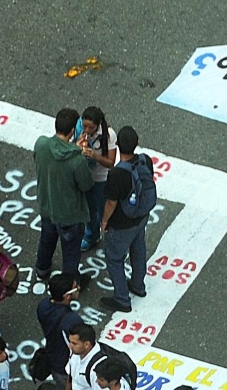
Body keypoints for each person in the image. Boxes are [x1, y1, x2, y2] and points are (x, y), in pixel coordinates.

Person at [32, 110, 94, 281]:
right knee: (71, 251)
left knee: (47, 240)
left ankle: (42, 269)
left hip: (47, 206)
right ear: (73, 130)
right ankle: (70, 281)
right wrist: (77, 151)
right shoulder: (76, 160)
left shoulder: (41, 144)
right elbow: (86, 184)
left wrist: (73, 148)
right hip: (69, 215)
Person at [97, 126, 151, 314]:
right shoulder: (145, 161)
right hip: (141, 217)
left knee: (114, 258)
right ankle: (138, 284)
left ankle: (121, 299)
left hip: (122, 224)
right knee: (138, 248)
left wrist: (104, 222)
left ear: (118, 145)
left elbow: (111, 203)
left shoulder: (117, 174)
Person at [74, 108, 114, 251]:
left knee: (104, 209)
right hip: (86, 176)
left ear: (98, 125)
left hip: (101, 180)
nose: (87, 130)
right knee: (89, 208)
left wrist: (95, 156)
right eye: (84, 126)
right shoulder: (79, 130)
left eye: (91, 127)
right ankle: (92, 235)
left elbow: (110, 162)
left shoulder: (109, 135)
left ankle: (110, 238)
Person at [34, 274, 83, 387]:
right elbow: (77, 350)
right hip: (64, 368)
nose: (79, 288)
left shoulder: (43, 305)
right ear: (66, 296)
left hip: (52, 356)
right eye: (75, 288)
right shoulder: (72, 321)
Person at [64, 325, 103, 390]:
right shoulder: (75, 351)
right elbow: (70, 376)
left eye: (74, 343)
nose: (70, 346)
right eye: (70, 341)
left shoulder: (97, 369)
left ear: (86, 344)